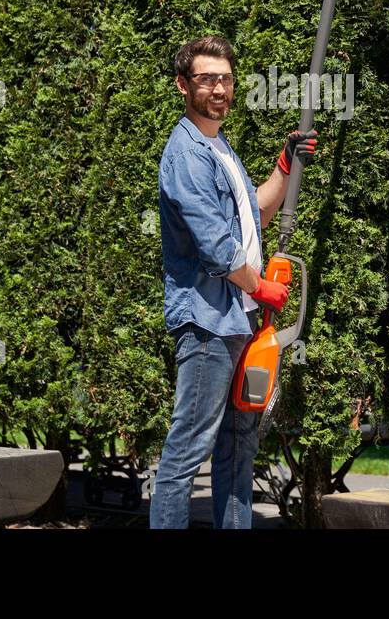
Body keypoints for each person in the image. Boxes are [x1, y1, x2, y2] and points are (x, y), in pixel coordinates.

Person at [149, 35, 318, 529]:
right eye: (206, 79)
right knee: (187, 450)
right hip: (208, 326)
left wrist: (285, 165)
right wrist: (259, 287)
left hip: (239, 321)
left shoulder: (220, 148)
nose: (218, 89)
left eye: (225, 79)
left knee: (238, 448)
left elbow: (254, 217)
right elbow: (217, 247)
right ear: (183, 85)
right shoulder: (186, 154)